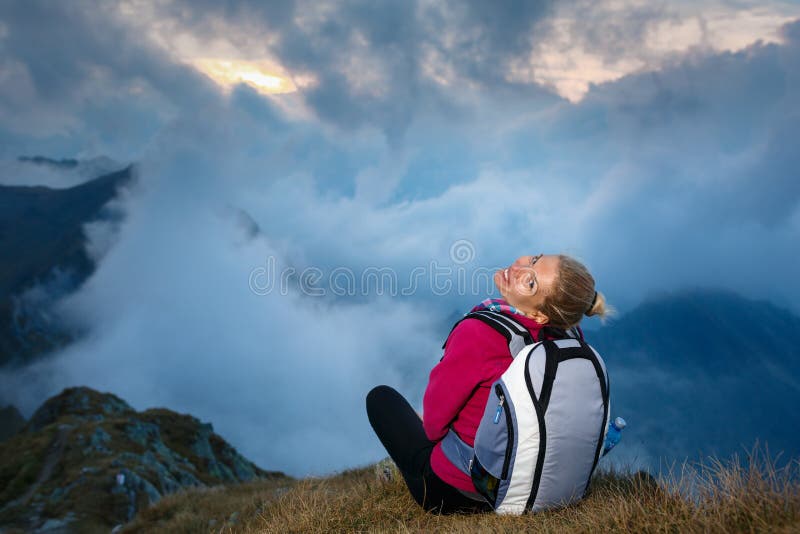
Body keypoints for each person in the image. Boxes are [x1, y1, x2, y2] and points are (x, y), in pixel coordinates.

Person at [366, 254, 610, 513]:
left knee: (380, 399)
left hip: (458, 493)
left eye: (531, 283)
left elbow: (434, 427)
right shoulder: (569, 335)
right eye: (534, 259)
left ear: (540, 316)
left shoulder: (479, 332)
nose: (519, 268)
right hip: (531, 484)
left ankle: (395, 470)